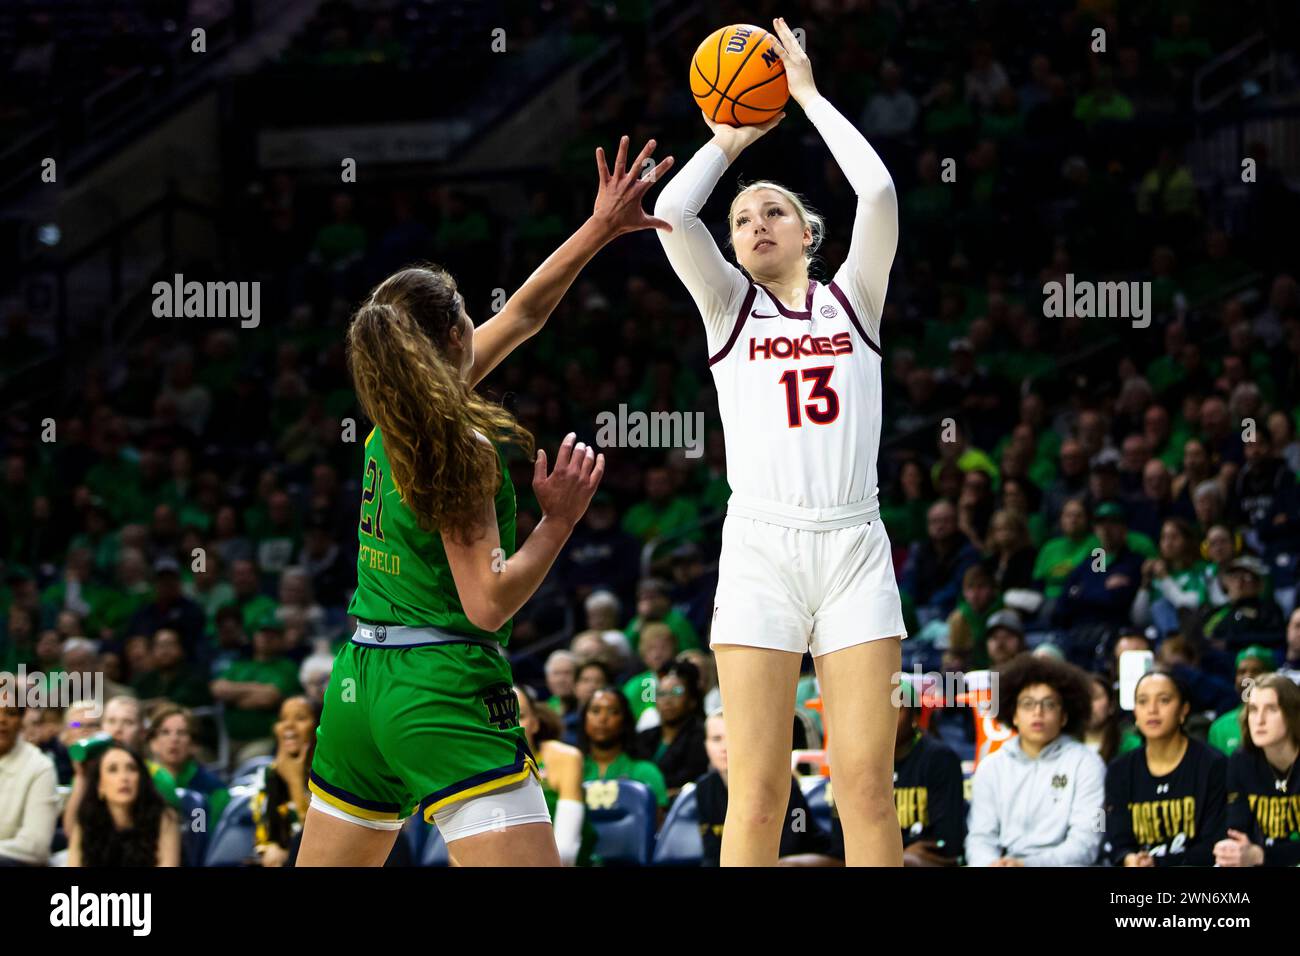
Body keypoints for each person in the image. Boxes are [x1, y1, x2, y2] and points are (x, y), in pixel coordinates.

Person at [297, 133, 673, 868]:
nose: (479, 320)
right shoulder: (458, 446)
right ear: (450, 335)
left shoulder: (395, 421)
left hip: (358, 689)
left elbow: (527, 315)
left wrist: (600, 227)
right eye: (467, 311)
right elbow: (489, 603)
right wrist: (558, 521)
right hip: (439, 687)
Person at [653, 16, 906, 866]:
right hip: (761, 544)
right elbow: (668, 210)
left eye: (774, 211)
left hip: (854, 546)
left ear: (808, 233)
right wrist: (729, 141)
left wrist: (806, 96)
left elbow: (876, 194)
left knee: (866, 790)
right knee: (756, 797)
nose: (755, 223)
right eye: (742, 220)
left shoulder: (854, 299)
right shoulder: (728, 308)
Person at [965, 655, 1106, 866]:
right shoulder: (991, 766)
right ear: (1014, 715)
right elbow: (979, 837)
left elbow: (1087, 843)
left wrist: (1028, 864)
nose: (1037, 712)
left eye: (1049, 705)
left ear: (1064, 716)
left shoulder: (1088, 764)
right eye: (1028, 704)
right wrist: (990, 864)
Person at [1103, 669, 1227, 866]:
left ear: (1184, 709)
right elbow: (1115, 836)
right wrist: (1129, 858)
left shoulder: (1213, 764)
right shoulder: (1119, 770)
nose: (1152, 709)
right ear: (1135, 712)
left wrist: (1159, 863)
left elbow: (1215, 842)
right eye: (1142, 701)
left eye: (1164, 700)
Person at [694, 710, 836, 867]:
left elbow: (796, 836)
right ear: (706, 745)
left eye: (733, 737)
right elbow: (711, 852)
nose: (725, 747)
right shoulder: (704, 787)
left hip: (805, 857)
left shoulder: (782, 780)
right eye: (716, 739)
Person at [1214, 674, 1300, 866]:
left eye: (1271, 709)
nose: (1259, 720)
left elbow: (1256, 855)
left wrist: (1260, 856)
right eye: (1253, 710)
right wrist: (1231, 851)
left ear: (1293, 713)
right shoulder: (1241, 761)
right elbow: (1236, 830)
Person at [515, 686, 595, 867]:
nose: (511, 727)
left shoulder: (564, 758)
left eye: (520, 716)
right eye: (503, 719)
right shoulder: (479, 769)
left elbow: (564, 851)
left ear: (535, 722)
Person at [68, 742, 180, 866]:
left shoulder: (164, 818)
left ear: (142, 779)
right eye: (113, 770)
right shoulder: (87, 820)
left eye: (131, 769)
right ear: (100, 787)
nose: (124, 778)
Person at [252, 696, 319, 867]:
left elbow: (318, 838)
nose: (288, 726)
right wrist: (271, 847)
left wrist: (295, 781)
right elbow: (266, 838)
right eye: (283, 719)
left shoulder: (334, 773)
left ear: (319, 727)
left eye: (300, 718)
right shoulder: (269, 774)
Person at [578, 688, 668, 812]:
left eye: (613, 712)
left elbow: (659, 826)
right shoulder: (572, 770)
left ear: (625, 720)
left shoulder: (646, 772)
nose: (603, 719)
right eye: (595, 711)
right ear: (584, 719)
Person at [145, 703, 231, 825]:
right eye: (165, 732)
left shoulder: (212, 790)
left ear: (193, 745)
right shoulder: (139, 777)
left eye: (182, 733)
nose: (174, 739)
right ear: (152, 742)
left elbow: (200, 835)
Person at [634, 659, 708, 797]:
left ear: (692, 700)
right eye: (662, 693)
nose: (667, 700)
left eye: (677, 692)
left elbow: (690, 782)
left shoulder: (702, 737)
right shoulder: (644, 737)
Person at [0, 697, 58, 865]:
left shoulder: (40, 767)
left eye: (10, 713)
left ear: (21, 721)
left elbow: (36, 845)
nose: (2, 720)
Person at [1207, 646, 1277, 755]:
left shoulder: (1284, 721)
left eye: (1256, 671)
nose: (1248, 677)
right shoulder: (1219, 727)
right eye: (1242, 672)